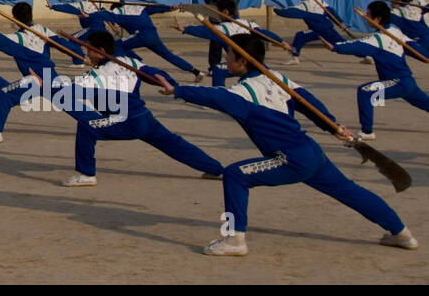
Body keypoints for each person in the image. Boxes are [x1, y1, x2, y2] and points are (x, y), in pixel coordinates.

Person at [155, 33, 417, 256]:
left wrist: (177, 91)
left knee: (234, 174)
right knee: (350, 191)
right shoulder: (280, 79)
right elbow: (311, 105)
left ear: (242, 61)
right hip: (310, 152)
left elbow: (214, 96)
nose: (226, 61)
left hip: (289, 158)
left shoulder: (243, 93)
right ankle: (402, 234)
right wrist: (332, 126)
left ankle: (234, 239)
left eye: (229, 57)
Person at [53, 30, 222, 188]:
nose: (86, 54)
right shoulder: (129, 61)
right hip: (143, 117)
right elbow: (156, 74)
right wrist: (172, 86)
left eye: (88, 50)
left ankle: (87, 175)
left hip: (124, 120)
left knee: (87, 127)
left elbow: (69, 91)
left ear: (100, 51)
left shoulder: (99, 75)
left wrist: (44, 85)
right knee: (175, 144)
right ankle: (216, 169)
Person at [0, 2, 80, 142]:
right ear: (31, 15)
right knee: (70, 103)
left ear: (14, 18)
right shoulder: (43, 30)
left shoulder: (18, 39)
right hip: (50, 76)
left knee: (5, 94)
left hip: (35, 80)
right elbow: (64, 45)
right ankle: (96, 122)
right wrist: (79, 53)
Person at [327, 1, 429, 140]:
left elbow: (358, 46)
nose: (366, 17)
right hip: (406, 82)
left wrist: (335, 47)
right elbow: (417, 51)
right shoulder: (394, 30)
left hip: (398, 82)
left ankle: (367, 132)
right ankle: (375, 106)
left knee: (365, 92)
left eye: (368, 14)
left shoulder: (379, 38)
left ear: (378, 19)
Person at [271, 0, 342, 63]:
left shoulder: (304, 5)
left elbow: (290, 12)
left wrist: (276, 10)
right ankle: (359, 52)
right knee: (344, 43)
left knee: (300, 36)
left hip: (318, 30)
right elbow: (331, 12)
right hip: (329, 28)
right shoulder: (319, 0)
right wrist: (340, 23)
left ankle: (295, 58)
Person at [201, 0, 243, 72]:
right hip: (216, 14)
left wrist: (232, 9)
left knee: (235, 40)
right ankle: (213, 67)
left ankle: (237, 65)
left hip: (233, 14)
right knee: (216, 41)